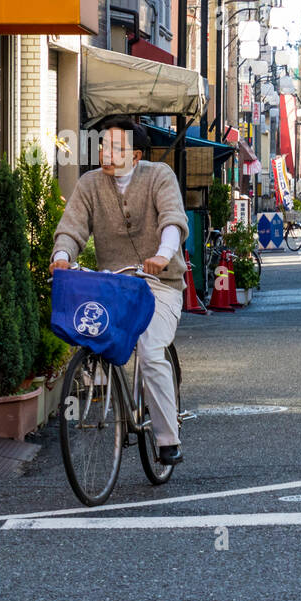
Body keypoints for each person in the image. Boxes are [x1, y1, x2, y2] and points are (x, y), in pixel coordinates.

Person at [50, 117, 187, 465]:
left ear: (136, 155)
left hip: (160, 285)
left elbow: (173, 220)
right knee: (90, 329)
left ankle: (167, 438)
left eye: (115, 147)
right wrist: (63, 256)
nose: (105, 152)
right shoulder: (90, 184)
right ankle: (98, 382)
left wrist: (162, 255)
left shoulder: (159, 176)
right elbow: (72, 226)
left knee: (150, 348)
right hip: (114, 286)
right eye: (103, 145)